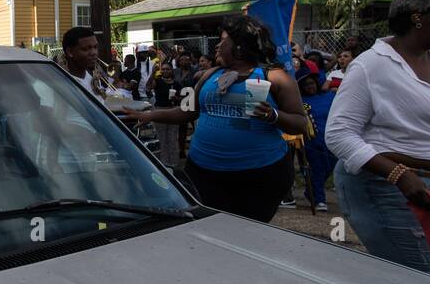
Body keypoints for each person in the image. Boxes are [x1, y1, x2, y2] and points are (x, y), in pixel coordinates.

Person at [325, 0, 430, 277]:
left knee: (416, 281)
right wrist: (399, 175)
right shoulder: (371, 66)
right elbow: (338, 134)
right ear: (418, 18)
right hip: (393, 189)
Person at [125, 16, 308, 222]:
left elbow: (300, 123)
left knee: (249, 231)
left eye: (223, 40)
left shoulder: (274, 77)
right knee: (212, 228)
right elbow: (185, 112)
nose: (218, 46)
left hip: (259, 175)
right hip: (204, 172)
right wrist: (148, 115)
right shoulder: (210, 76)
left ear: (239, 45)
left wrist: (272, 115)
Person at [297, 71, 337, 211]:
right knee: (316, 169)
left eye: (312, 83)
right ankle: (320, 199)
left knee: (329, 167)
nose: (310, 87)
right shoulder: (299, 100)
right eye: (306, 85)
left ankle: (311, 191)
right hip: (311, 141)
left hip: (331, 139)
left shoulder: (329, 97)